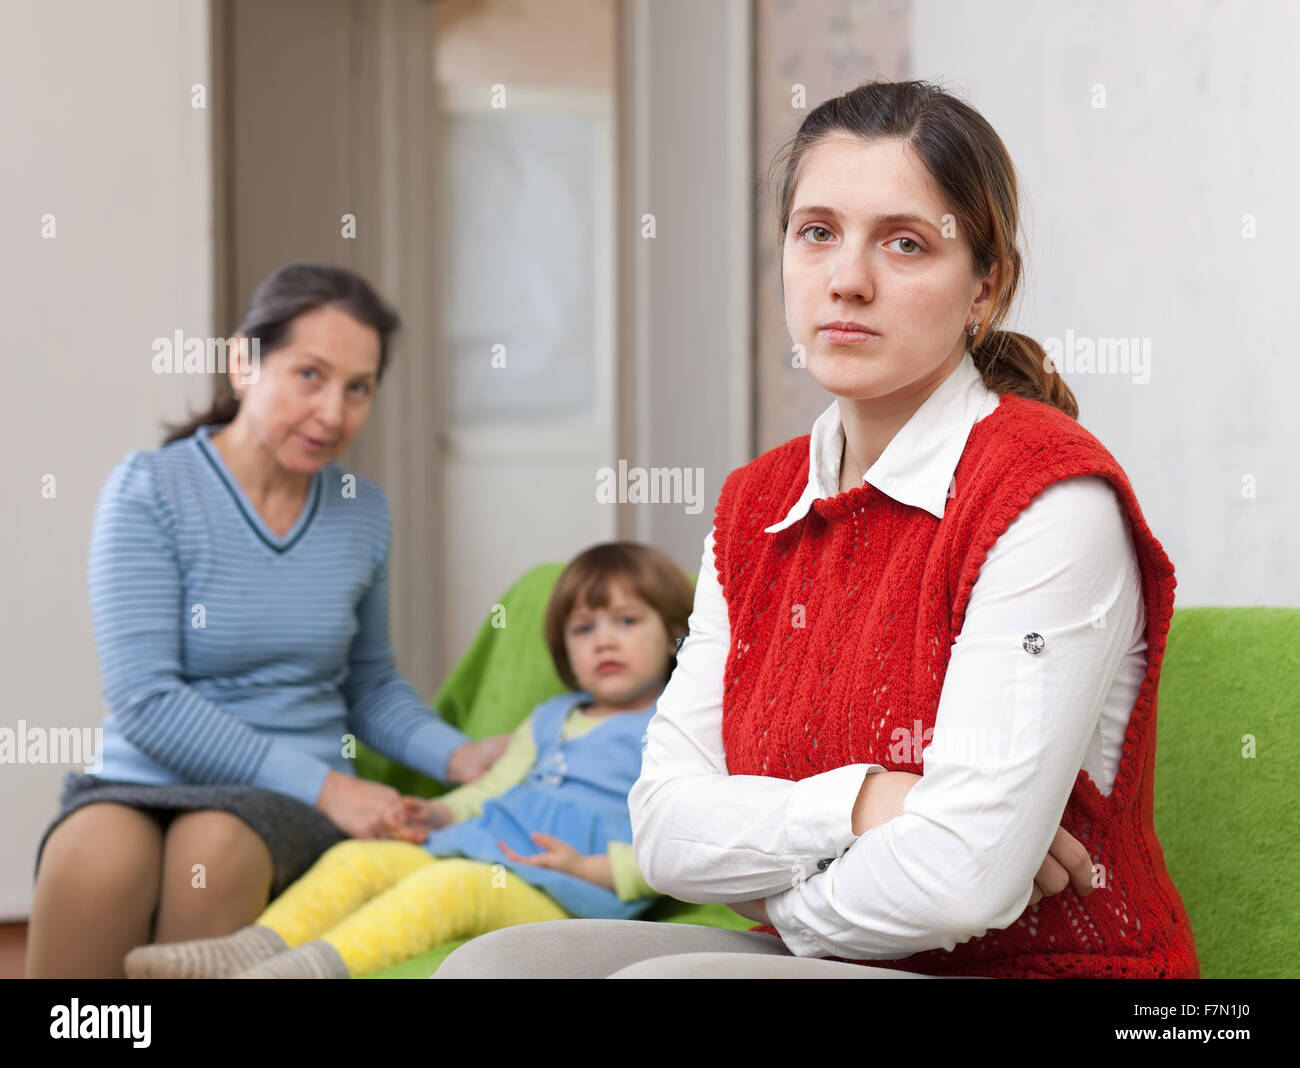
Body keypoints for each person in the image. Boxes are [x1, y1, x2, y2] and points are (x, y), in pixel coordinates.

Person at [434, 78, 1200, 979]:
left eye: (905, 244)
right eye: (818, 232)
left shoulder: (1047, 497)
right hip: (849, 956)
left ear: (985, 286)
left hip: (1055, 973)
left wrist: (784, 895)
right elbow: (668, 829)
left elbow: (960, 884)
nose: (847, 279)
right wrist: (871, 802)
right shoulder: (755, 505)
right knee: (497, 968)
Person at [26, 262, 507, 978]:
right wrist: (337, 792)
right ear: (244, 363)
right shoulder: (149, 490)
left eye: (358, 388)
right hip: (145, 779)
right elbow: (145, 698)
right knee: (91, 856)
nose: (333, 413)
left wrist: (459, 756)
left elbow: (369, 686)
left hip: (282, 796)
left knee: (214, 849)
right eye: (310, 375)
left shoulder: (361, 511)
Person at [120, 542, 694, 979]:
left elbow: (685, 834)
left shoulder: (674, 726)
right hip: (490, 843)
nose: (604, 641)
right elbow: (490, 790)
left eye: (626, 621)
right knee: (362, 858)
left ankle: (297, 971)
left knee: (450, 887)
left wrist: (589, 868)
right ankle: (250, 948)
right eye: (583, 628)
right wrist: (438, 816)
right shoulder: (549, 718)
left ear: (672, 634)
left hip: (570, 891)